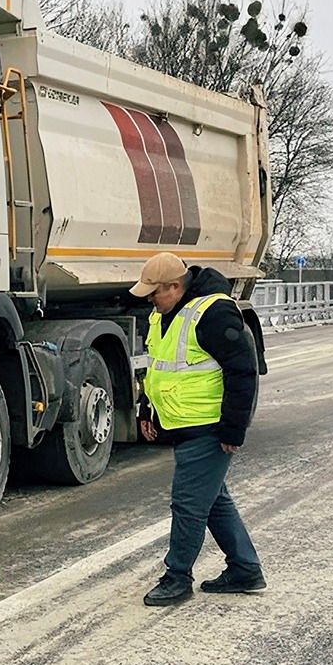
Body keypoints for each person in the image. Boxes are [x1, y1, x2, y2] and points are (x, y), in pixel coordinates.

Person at [132, 251, 264, 607]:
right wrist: (147, 409)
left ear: (174, 286)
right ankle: (245, 569)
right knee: (214, 501)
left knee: (187, 504)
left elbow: (242, 372)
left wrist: (233, 430)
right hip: (182, 424)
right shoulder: (162, 316)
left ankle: (177, 577)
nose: (150, 300)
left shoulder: (214, 313)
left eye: (154, 293)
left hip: (208, 427)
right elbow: (157, 369)